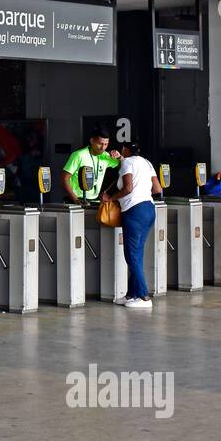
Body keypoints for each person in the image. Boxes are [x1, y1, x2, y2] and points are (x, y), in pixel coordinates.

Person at [101, 140, 161, 309]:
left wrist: (111, 198)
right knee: (137, 254)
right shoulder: (146, 162)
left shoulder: (127, 162)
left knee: (131, 255)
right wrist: (141, 193)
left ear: (125, 150)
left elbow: (128, 187)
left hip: (135, 212)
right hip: (149, 209)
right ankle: (131, 295)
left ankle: (143, 296)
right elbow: (157, 188)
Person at [63, 126, 122, 205]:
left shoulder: (105, 156)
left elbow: (125, 167)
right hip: (77, 200)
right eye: (100, 143)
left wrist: (119, 157)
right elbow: (64, 179)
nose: (103, 147)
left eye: (106, 144)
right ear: (92, 141)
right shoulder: (78, 155)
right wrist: (75, 199)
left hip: (94, 201)